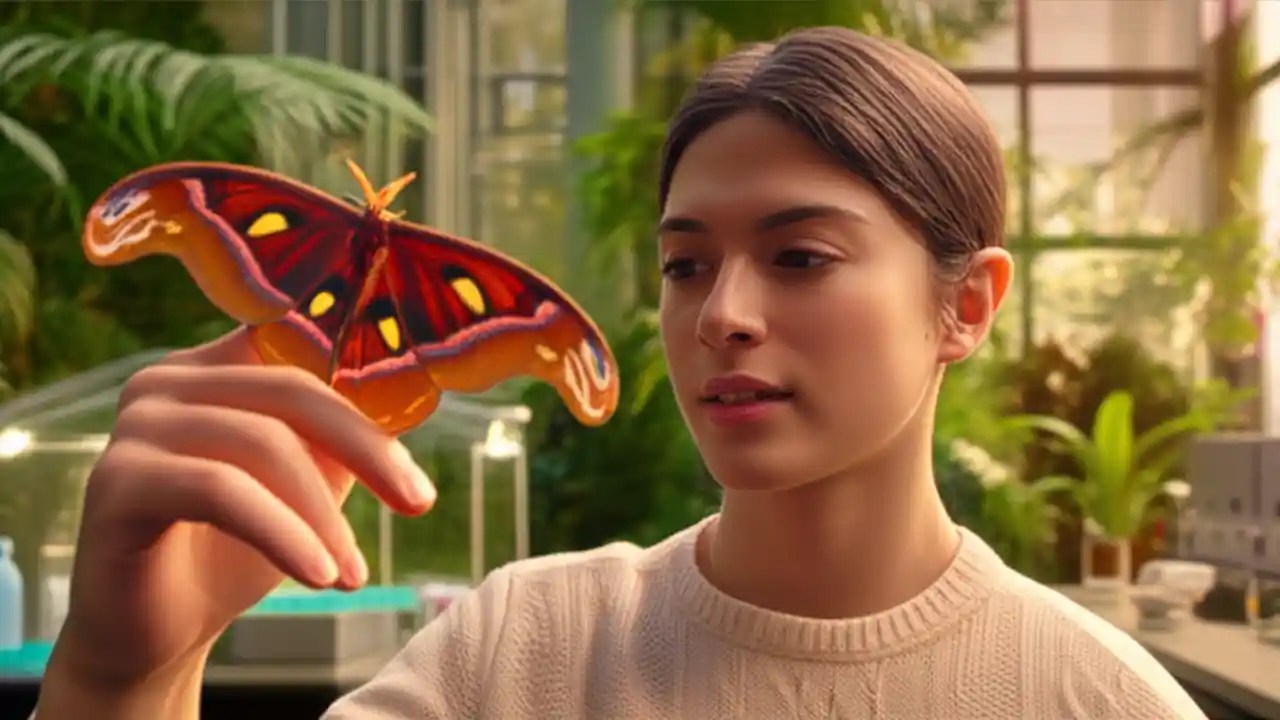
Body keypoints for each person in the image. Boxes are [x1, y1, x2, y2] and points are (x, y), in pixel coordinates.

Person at [33, 26, 1206, 720]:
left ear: (965, 304)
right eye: (684, 265)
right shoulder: (517, 654)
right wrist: (120, 676)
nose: (722, 317)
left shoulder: (1091, 697)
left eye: (798, 256)